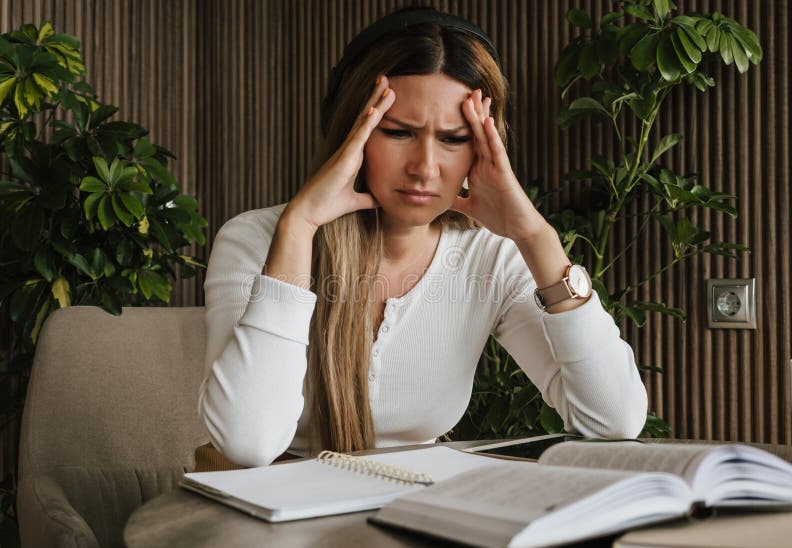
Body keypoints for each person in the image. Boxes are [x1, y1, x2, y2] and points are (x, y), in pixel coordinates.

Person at [198, 6, 648, 468]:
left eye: (453, 139)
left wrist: (536, 236)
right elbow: (247, 443)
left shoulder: (490, 257)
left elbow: (614, 421)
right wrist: (299, 228)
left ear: (482, 147)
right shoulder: (255, 241)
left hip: (416, 513)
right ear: (352, 132)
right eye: (398, 132)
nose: (425, 168)